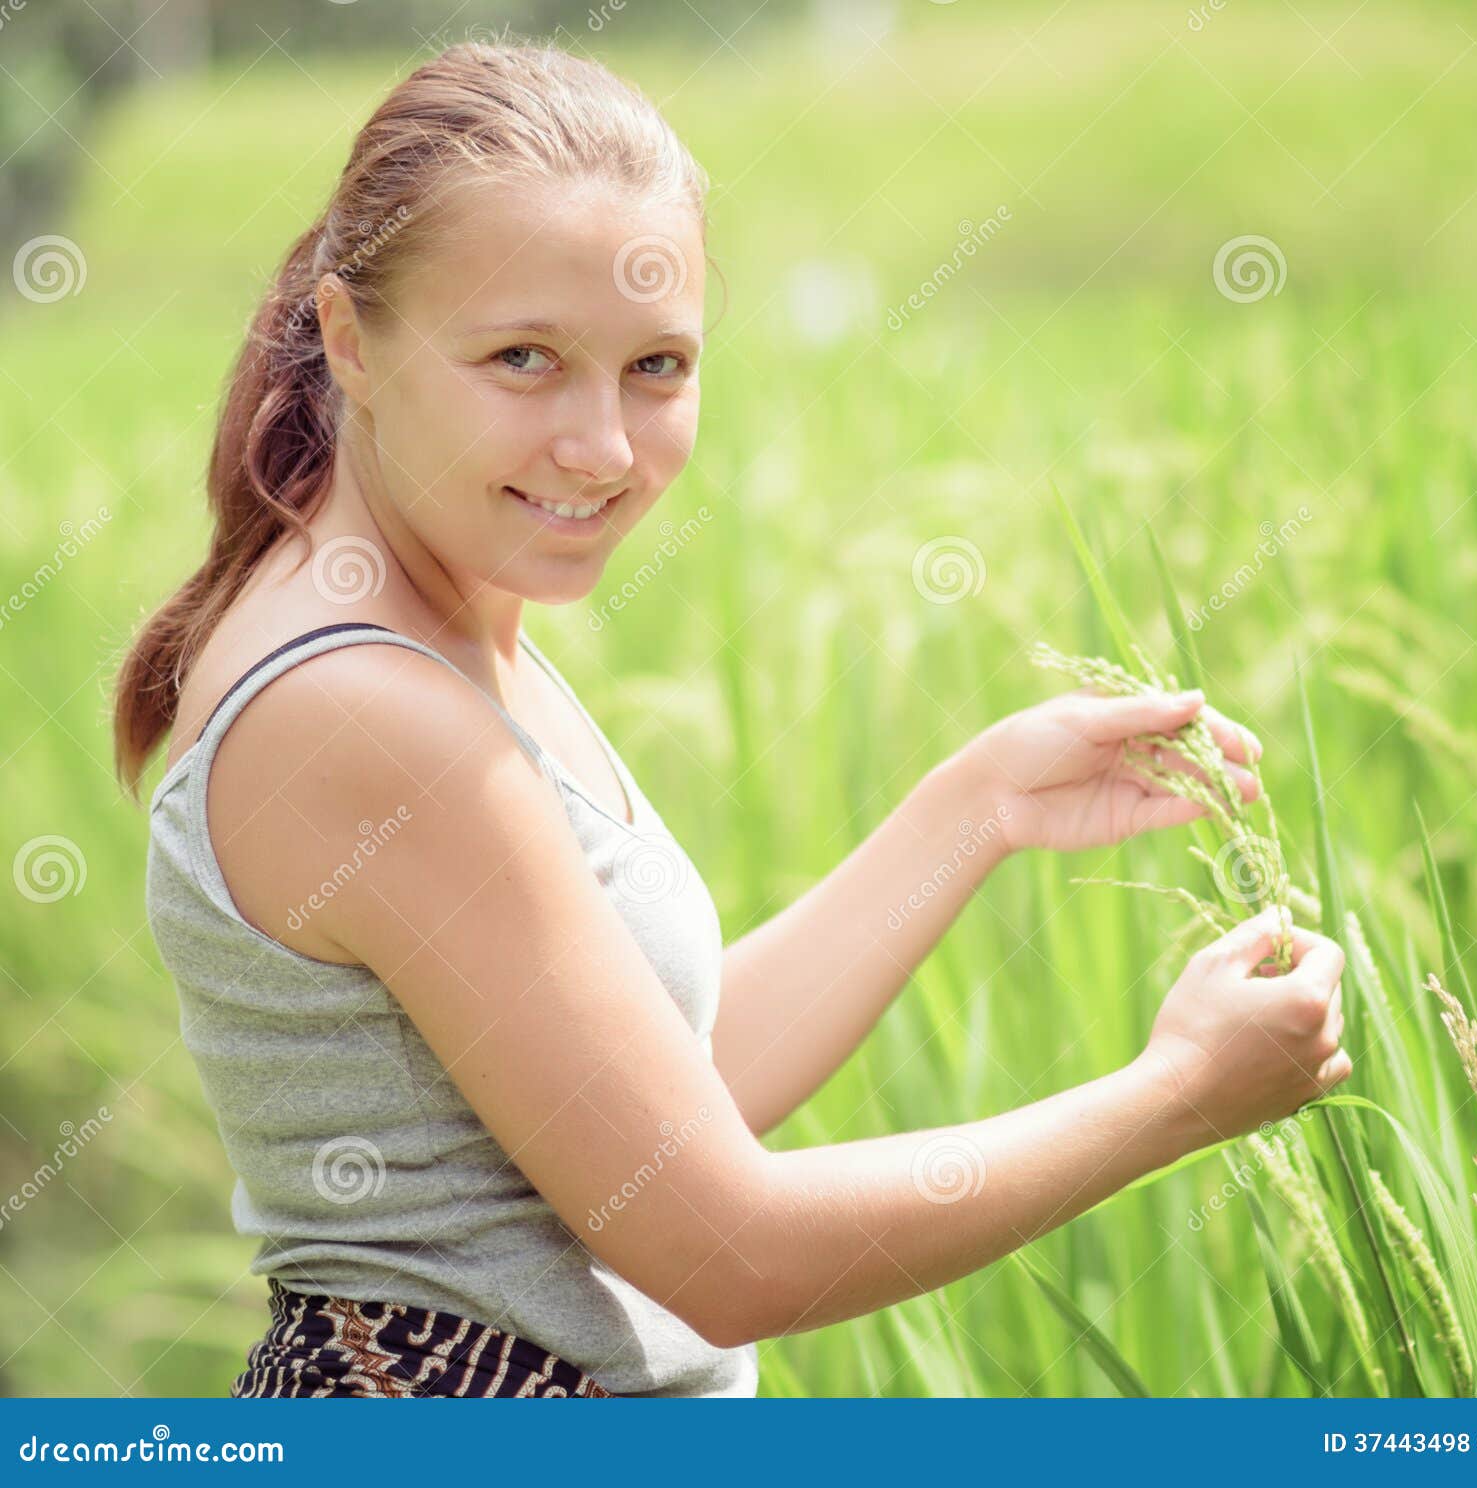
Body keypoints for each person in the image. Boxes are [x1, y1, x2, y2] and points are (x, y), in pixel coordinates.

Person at [113, 38, 1349, 1400]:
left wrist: (980, 805)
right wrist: (1176, 1093)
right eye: (523, 358)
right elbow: (724, 1248)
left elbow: (656, 1106)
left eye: (657, 366)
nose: (603, 447)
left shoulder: (444, 618)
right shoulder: (364, 709)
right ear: (351, 340)